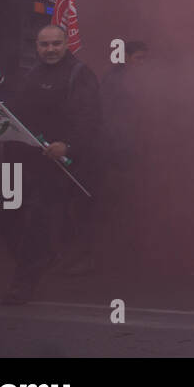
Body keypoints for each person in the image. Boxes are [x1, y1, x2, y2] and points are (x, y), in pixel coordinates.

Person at [0, 24, 103, 304]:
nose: (51, 49)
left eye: (56, 43)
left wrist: (68, 145)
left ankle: (22, 287)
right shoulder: (31, 74)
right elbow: (18, 112)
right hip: (30, 161)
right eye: (45, 44)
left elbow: (91, 120)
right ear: (36, 47)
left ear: (66, 44)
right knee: (12, 219)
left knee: (37, 223)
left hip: (63, 164)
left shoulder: (80, 74)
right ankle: (52, 253)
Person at [59, 40, 147, 276]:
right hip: (108, 153)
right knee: (99, 205)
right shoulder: (116, 81)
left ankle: (99, 257)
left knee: (108, 205)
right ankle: (90, 257)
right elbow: (107, 119)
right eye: (139, 58)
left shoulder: (125, 80)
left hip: (117, 152)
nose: (143, 64)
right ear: (126, 57)